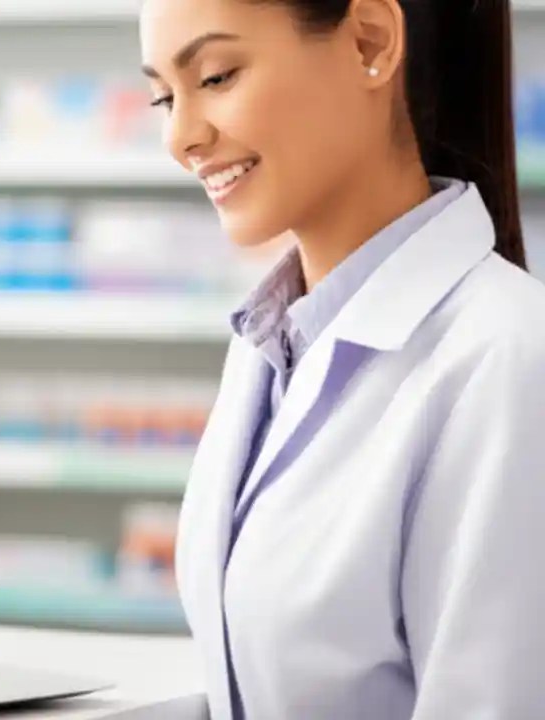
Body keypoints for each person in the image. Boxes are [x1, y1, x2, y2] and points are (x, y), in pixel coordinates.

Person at [139, 0, 545, 717]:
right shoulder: (270, 345)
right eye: (164, 96)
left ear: (369, 41)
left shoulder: (507, 359)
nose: (181, 136)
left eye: (217, 76)